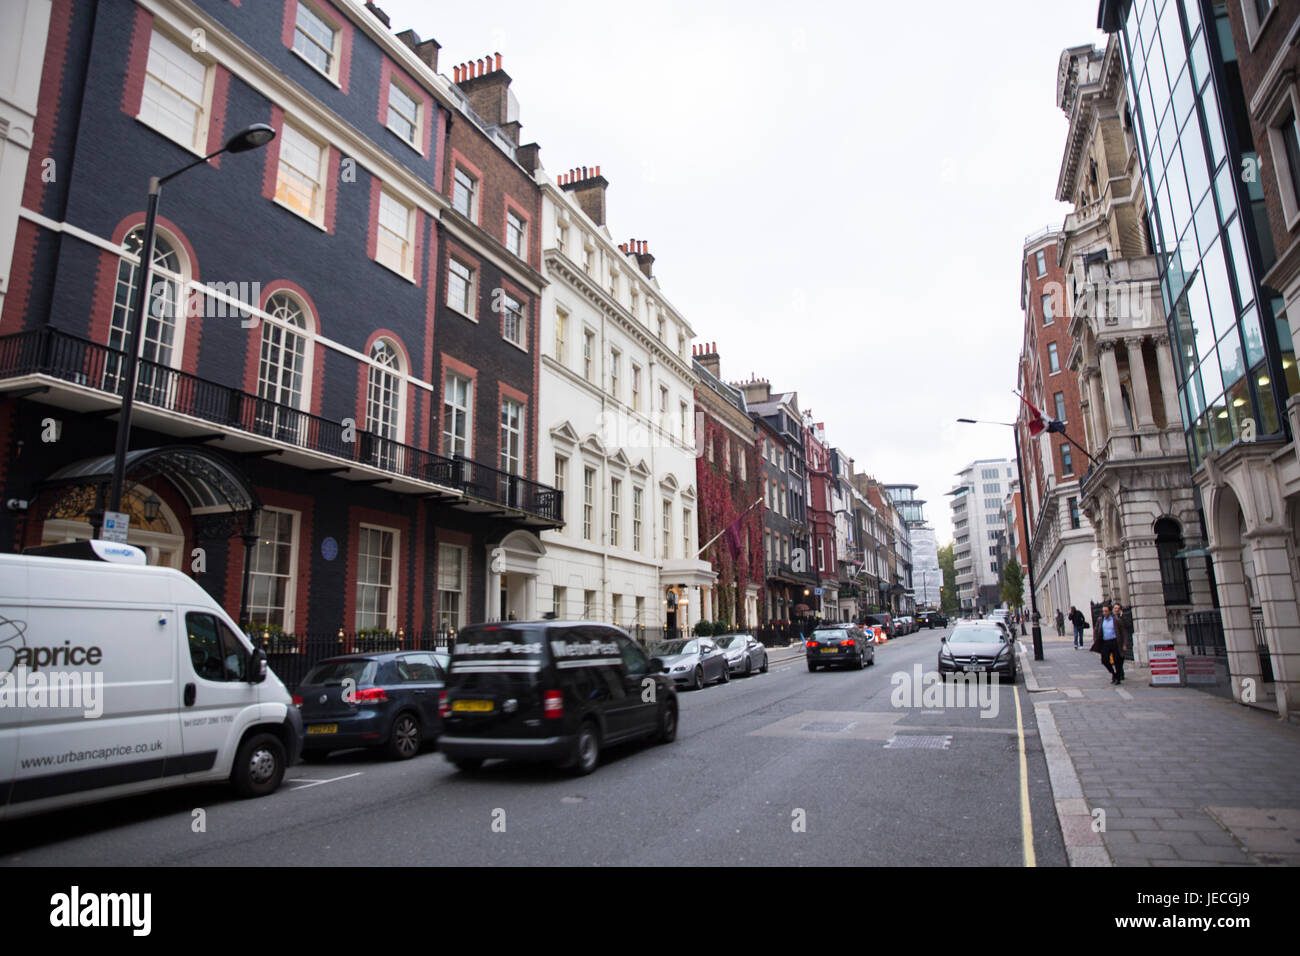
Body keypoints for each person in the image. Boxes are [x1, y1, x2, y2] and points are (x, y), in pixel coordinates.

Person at [1098, 603, 1125, 684]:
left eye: (1106, 611)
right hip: (1105, 642)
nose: (1104, 613)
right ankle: (1113, 673)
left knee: (1117, 660)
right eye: (1103, 611)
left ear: (1110, 612)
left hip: (1115, 641)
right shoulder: (1101, 620)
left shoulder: (1116, 620)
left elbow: (1123, 632)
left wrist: (1124, 644)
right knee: (1105, 660)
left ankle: (1118, 677)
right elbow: (1097, 631)